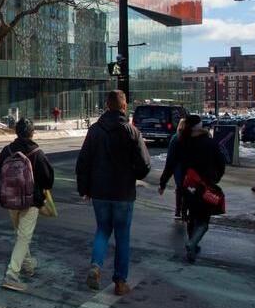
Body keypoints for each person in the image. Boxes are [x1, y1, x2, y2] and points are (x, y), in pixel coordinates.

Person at [75, 90, 151, 296]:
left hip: (99, 191)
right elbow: (144, 165)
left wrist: (84, 188)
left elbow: (83, 162)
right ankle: (120, 281)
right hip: (123, 192)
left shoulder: (94, 130)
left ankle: (96, 265)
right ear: (124, 106)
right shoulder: (131, 131)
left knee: (102, 230)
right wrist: (134, 175)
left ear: (107, 106)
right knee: (122, 236)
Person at [159, 115, 226, 263]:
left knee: (192, 215)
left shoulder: (181, 142)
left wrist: (163, 182)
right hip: (205, 185)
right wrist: (215, 178)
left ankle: (192, 247)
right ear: (200, 126)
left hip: (187, 185)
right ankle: (192, 243)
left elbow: (170, 164)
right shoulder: (209, 143)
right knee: (203, 220)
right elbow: (221, 164)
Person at [0, 118, 54, 292]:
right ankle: (12, 274)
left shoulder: (6, 151)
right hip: (31, 201)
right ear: (32, 133)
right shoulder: (37, 153)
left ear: (16, 132)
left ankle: (28, 265)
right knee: (24, 236)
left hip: (10, 199)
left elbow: (1, 172)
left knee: (20, 234)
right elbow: (48, 180)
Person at [164, 119, 190, 220]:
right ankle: (184, 212)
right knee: (186, 189)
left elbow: (170, 156)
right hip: (188, 166)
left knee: (179, 188)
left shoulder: (176, 138)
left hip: (178, 166)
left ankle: (178, 210)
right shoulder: (190, 137)